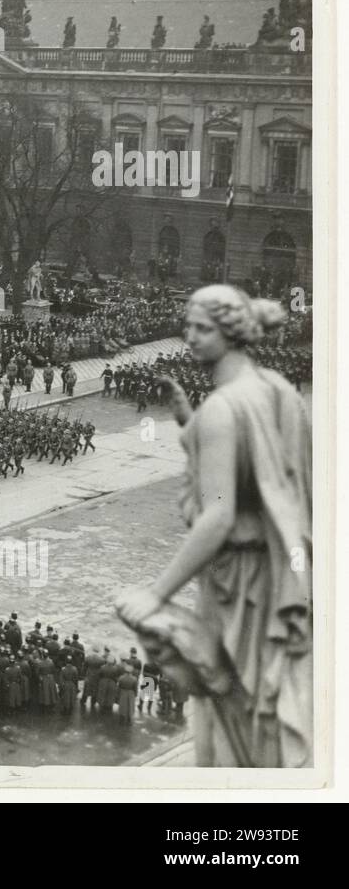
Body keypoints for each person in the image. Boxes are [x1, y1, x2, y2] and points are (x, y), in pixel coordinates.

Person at [117, 286, 312, 768]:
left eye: (201, 329)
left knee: (230, 712)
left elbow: (219, 513)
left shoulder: (224, 409)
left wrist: (157, 593)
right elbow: (253, 470)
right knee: (262, 698)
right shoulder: (276, 389)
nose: (189, 338)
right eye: (188, 327)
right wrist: (191, 420)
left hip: (237, 582)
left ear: (231, 332)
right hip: (276, 573)